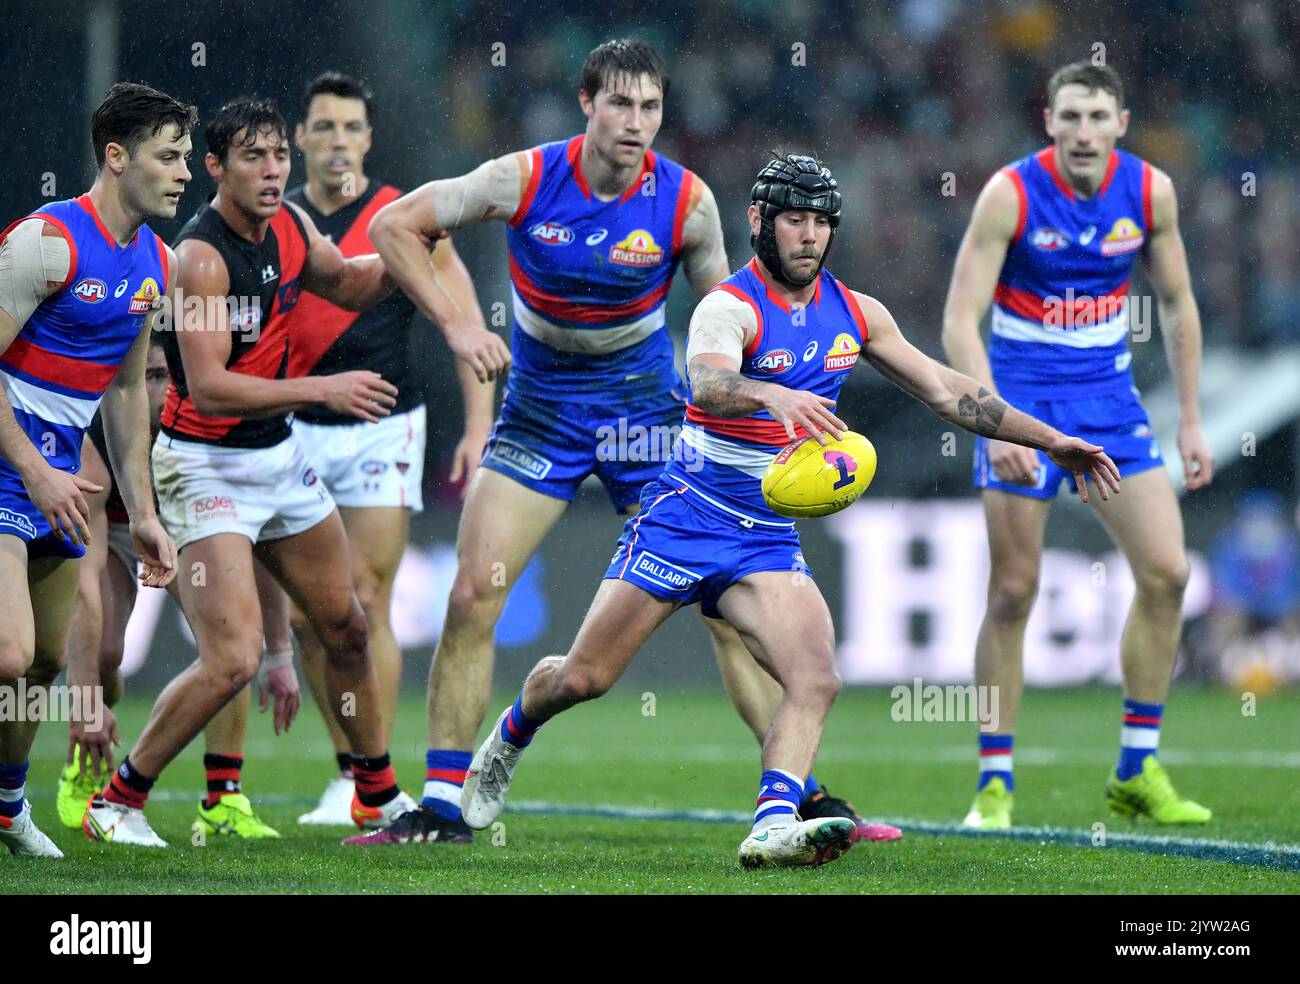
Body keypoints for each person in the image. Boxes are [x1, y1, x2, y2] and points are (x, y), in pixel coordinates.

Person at [460, 152, 1121, 868]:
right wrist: (770, 393)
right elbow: (707, 382)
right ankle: (513, 731)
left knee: (816, 677)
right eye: (794, 220)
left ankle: (773, 821)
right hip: (686, 513)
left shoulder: (857, 313)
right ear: (760, 223)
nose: (808, 236)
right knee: (583, 679)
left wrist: (1053, 441)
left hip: (765, 535)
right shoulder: (729, 306)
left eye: (820, 223)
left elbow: (947, 391)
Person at [360, 38, 894, 846]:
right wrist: (459, 324)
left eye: (650, 107)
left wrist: (776, 403)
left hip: (646, 411)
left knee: (725, 600)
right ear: (586, 104)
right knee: (474, 592)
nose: (635, 122)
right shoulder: (524, 177)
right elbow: (396, 226)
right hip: (540, 410)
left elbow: (741, 322)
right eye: (620, 104)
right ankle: (442, 805)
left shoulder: (688, 203)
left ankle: (799, 796)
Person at [83, 96, 425, 847]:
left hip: (275, 454)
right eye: (253, 158)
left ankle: (377, 797)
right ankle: (118, 799)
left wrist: (415, 237)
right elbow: (206, 386)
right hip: (203, 466)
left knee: (348, 627)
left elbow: (355, 281)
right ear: (216, 168)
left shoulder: (293, 231)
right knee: (233, 659)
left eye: (280, 157)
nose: (273, 172)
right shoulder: (200, 259)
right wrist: (321, 389)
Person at [941, 62, 1214, 829]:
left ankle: (1137, 768)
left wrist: (1190, 416)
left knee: (1167, 573)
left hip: (1110, 407)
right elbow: (961, 319)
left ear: (1122, 122)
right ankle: (994, 785)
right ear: (1050, 123)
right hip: (1022, 406)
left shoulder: (1151, 192)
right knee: (1013, 591)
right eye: (1071, 118)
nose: (1084, 132)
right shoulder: (1011, 195)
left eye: (1098, 117)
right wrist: (990, 423)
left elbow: (1179, 302)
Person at [284, 72, 495, 827]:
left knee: (365, 605)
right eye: (324, 127)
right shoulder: (278, 218)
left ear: (368, 140)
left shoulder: (400, 218)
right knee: (310, 619)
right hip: (292, 427)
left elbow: (466, 323)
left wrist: (477, 430)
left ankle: (372, 779)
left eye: (351, 128)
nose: (338, 140)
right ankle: (348, 770)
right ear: (302, 137)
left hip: (383, 427)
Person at [0, 82, 189, 857]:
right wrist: (34, 470)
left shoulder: (159, 263)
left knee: (43, 660)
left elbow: (123, 390)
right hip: (12, 459)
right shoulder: (45, 244)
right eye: (167, 157)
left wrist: (142, 511)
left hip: (63, 475)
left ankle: (8, 810)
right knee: (8, 653)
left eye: (185, 157)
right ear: (116, 158)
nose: (184, 174)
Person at [56, 335, 296, 839]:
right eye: (145, 377)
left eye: (165, 376)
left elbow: (263, 546)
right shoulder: (94, 447)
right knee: (102, 655)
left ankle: (224, 798)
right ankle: (86, 749)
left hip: (181, 522)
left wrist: (279, 652)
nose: (158, 392)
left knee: (229, 644)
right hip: (119, 531)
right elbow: (85, 584)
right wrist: (82, 699)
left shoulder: (202, 436)